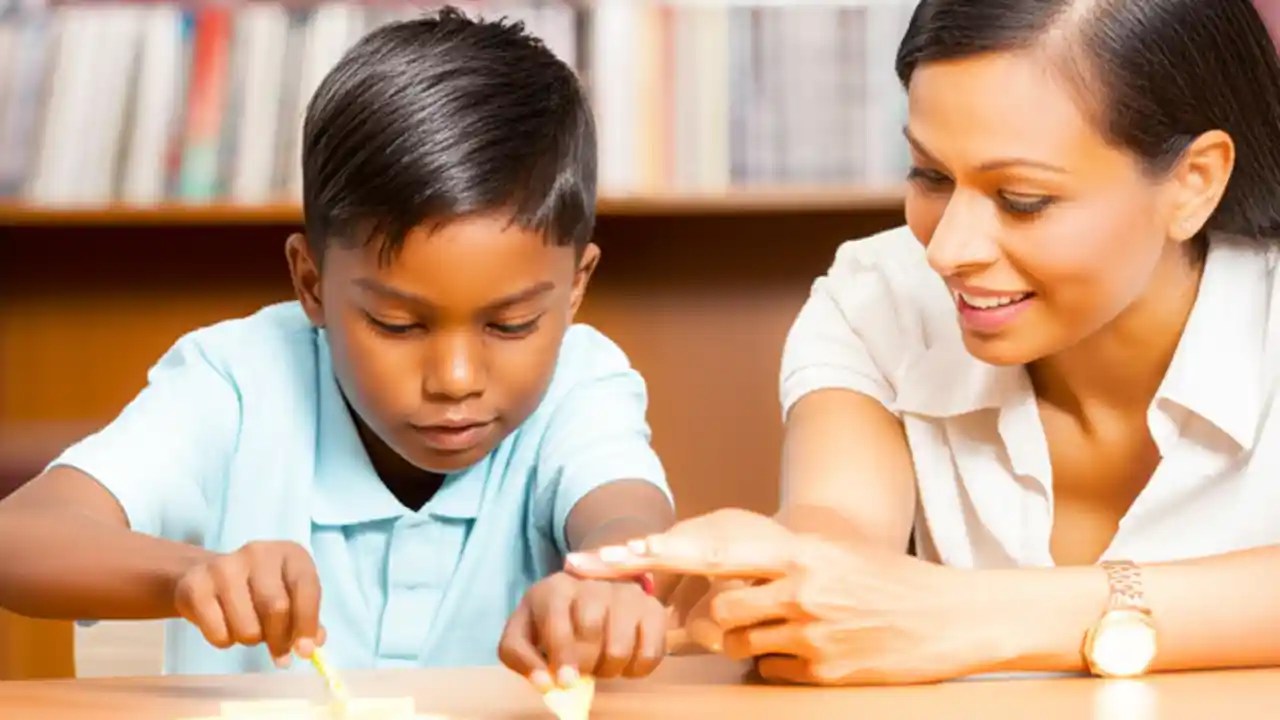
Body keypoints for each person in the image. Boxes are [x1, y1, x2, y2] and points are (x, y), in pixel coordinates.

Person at [568, 0, 1280, 686]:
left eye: (1022, 199)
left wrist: (967, 618)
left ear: (1192, 183)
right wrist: (785, 573)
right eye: (931, 176)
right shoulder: (877, 297)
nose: (948, 251)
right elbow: (840, 524)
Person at [0, 8, 674, 688]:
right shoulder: (236, 383)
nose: (455, 378)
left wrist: (615, 580)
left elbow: (623, 513)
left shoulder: (582, 382)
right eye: (397, 324)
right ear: (311, 282)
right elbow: (18, 537)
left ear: (576, 285)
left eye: (512, 324)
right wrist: (191, 573)